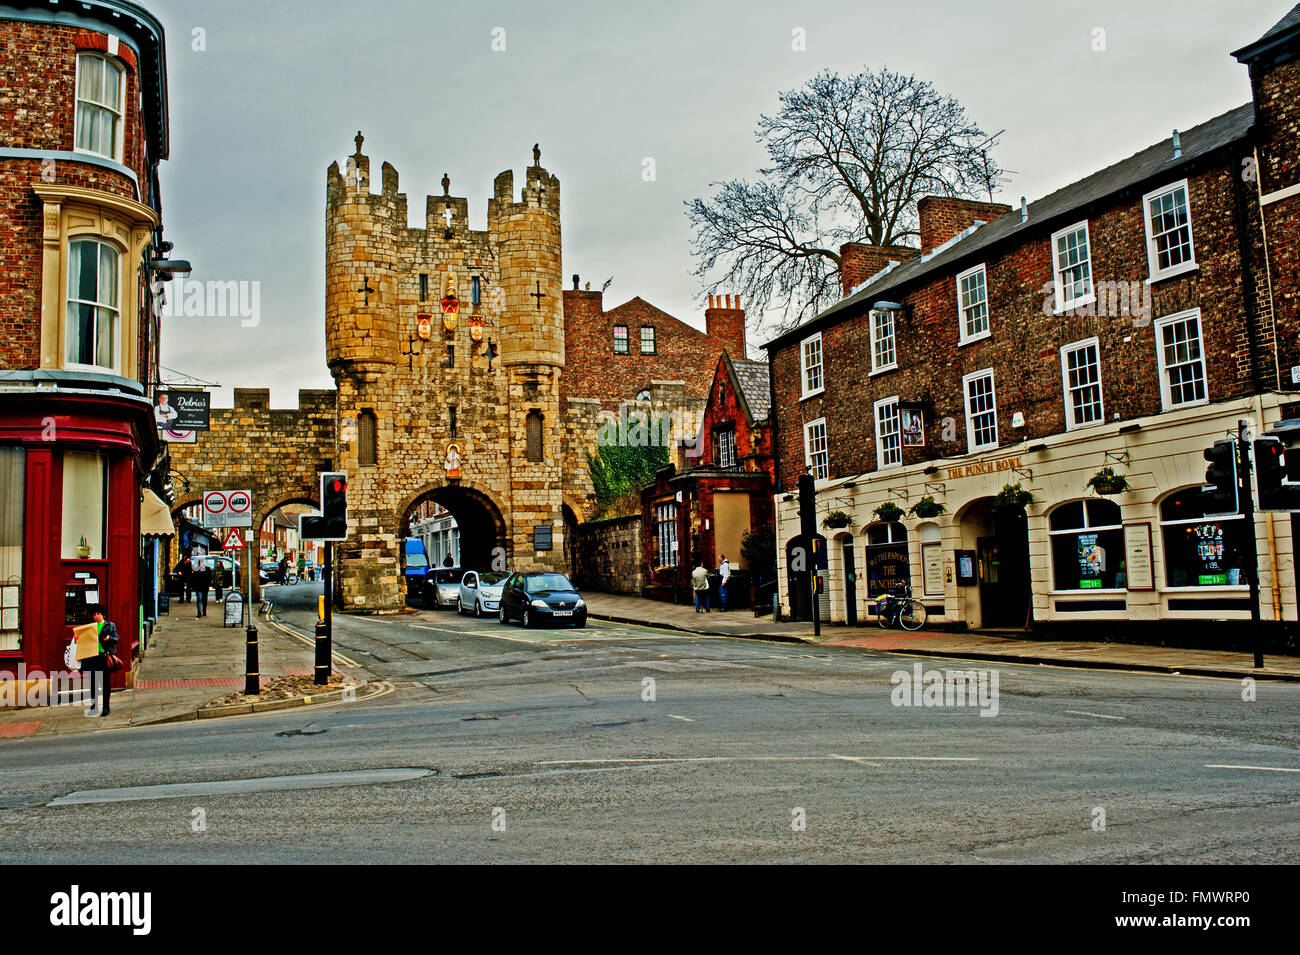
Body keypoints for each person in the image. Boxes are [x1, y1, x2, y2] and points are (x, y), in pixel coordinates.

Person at [83, 605, 119, 717]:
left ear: (103, 614)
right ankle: (94, 707)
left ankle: (106, 708)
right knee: (93, 683)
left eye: (98, 614)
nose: (96, 616)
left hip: (104, 656)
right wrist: (77, 638)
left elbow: (116, 639)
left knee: (105, 684)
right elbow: (84, 640)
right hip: (93, 657)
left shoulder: (110, 625)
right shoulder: (90, 626)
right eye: (94, 614)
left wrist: (109, 639)